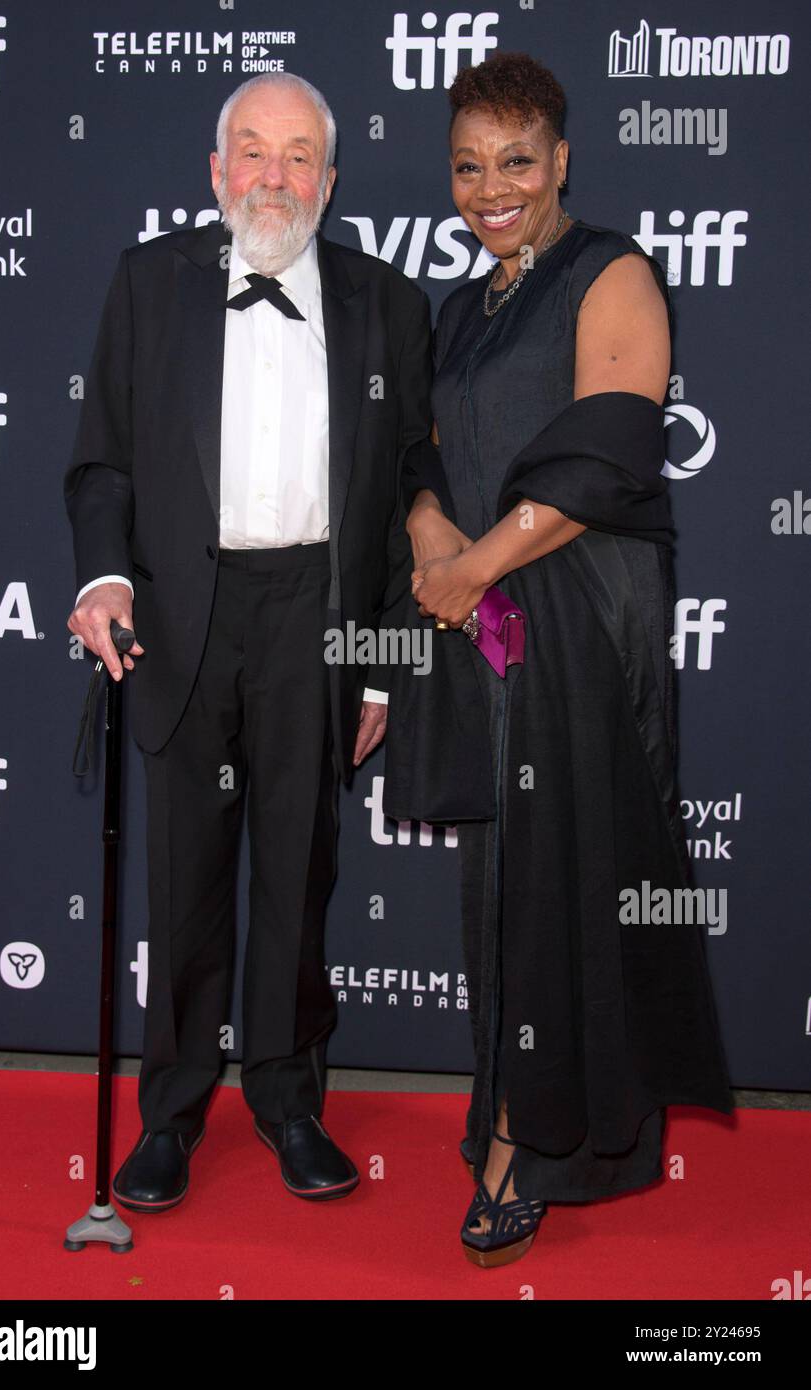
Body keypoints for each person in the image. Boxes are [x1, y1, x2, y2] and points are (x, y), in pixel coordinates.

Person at [383, 51, 734, 1266]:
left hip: (578, 623)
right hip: (482, 636)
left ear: (560, 159)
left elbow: (608, 456)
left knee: (564, 889)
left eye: (515, 162)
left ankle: (535, 1145)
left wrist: (474, 565)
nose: (491, 188)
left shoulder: (610, 270)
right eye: (468, 166)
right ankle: (509, 1112)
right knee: (497, 894)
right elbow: (424, 454)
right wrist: (431, 527)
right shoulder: (460, 305)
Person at [64, 72, 437, 1211]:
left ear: (329, 178)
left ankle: (285, 1097)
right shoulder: (149, 283)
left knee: (297, 870)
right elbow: (102, 461)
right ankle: (170, 1111)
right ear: (215, 169)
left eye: (297, 156)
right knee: (182, 876)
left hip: (317, 617)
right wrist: (106, 573)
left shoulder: (385, 304)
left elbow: (399, 493)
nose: (272, 176)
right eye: (250, 151)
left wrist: (381, 658)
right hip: (185, 612)